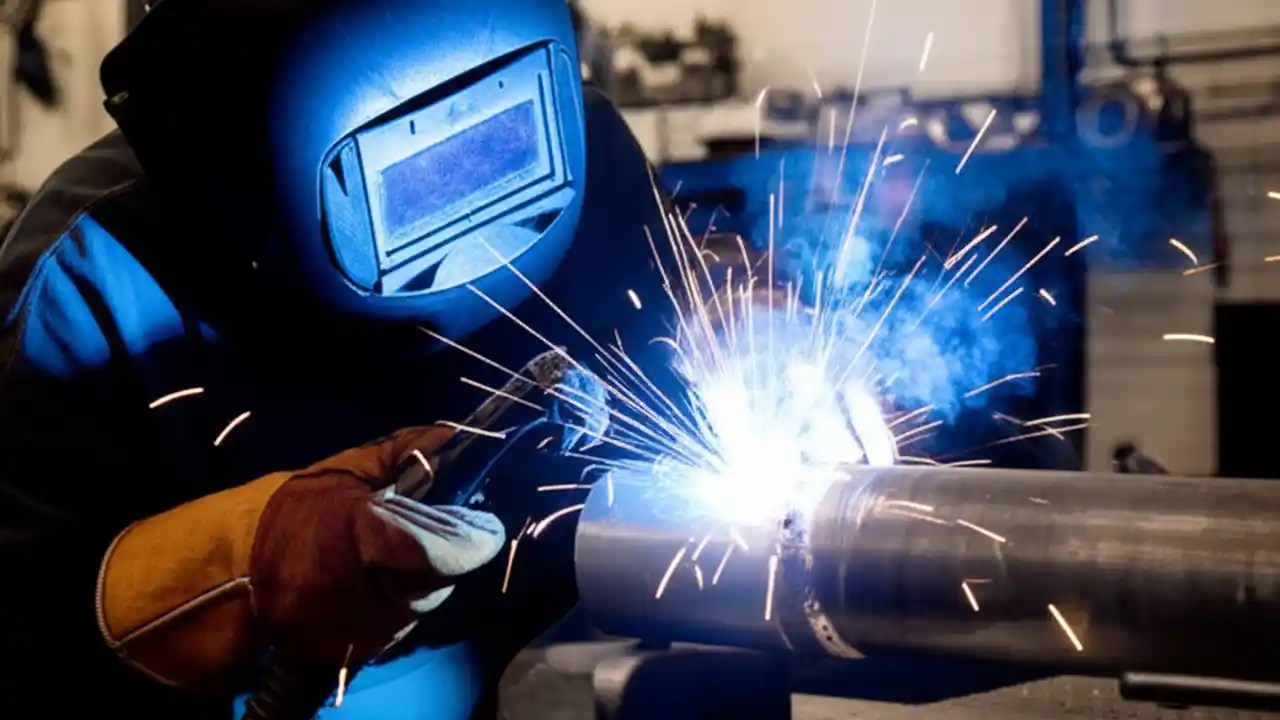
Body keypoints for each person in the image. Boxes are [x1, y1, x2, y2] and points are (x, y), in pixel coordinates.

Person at [0, 0, 677, 717]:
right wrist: (239, 563)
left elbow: (674, 413)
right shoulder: (89, 276)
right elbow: (28, 648)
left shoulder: (589, 148)